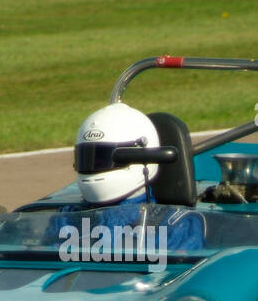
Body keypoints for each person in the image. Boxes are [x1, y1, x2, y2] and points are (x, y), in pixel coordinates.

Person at [44, 103, 205, 254]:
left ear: (142, 157)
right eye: (88, 159)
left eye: (102, 159)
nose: (94, 167)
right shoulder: (66, 219)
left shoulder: (175, 225)